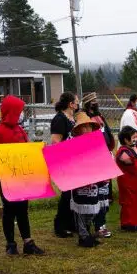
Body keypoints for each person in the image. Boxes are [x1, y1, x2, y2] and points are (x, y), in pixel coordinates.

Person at [0, 95, 44, 256]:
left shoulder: (20, 130)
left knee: (22, 210)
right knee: (9, 210)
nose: (21, 114)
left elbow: (26, 151)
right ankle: (11, 244)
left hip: (22, 177)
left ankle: (28, 242)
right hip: (7, 178)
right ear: (11, 111)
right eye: (19, 111)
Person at [68, 112, 108, 246]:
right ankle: (83, 236)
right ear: (78, 129)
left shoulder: (96, 143)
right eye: (84, 127)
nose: (87, 129)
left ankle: (87, 232)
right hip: (80, 182)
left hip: (94, 182)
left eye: (89, 127)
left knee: (91, 208)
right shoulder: (73, 144)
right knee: (81, 209)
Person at [82, 92, 114, 239]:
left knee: (104, 193)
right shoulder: (84, 118)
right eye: (92, 101)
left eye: (96, 100)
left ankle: (101, 224)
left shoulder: (99, 115)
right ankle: (92, 225)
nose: (95, 103)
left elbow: (106, 133)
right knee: (95, 194)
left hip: (105, 155)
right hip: (93, 158)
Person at [50, 92, 79, 238]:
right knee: (67, 194)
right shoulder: (59, 119)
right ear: (70, 104)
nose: (78, 104)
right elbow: (56, 141)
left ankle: (72, 222)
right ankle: (60, 225)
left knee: (75, 193)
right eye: (76, 101)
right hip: (65, 160)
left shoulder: (73, 118)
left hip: (75, 160)